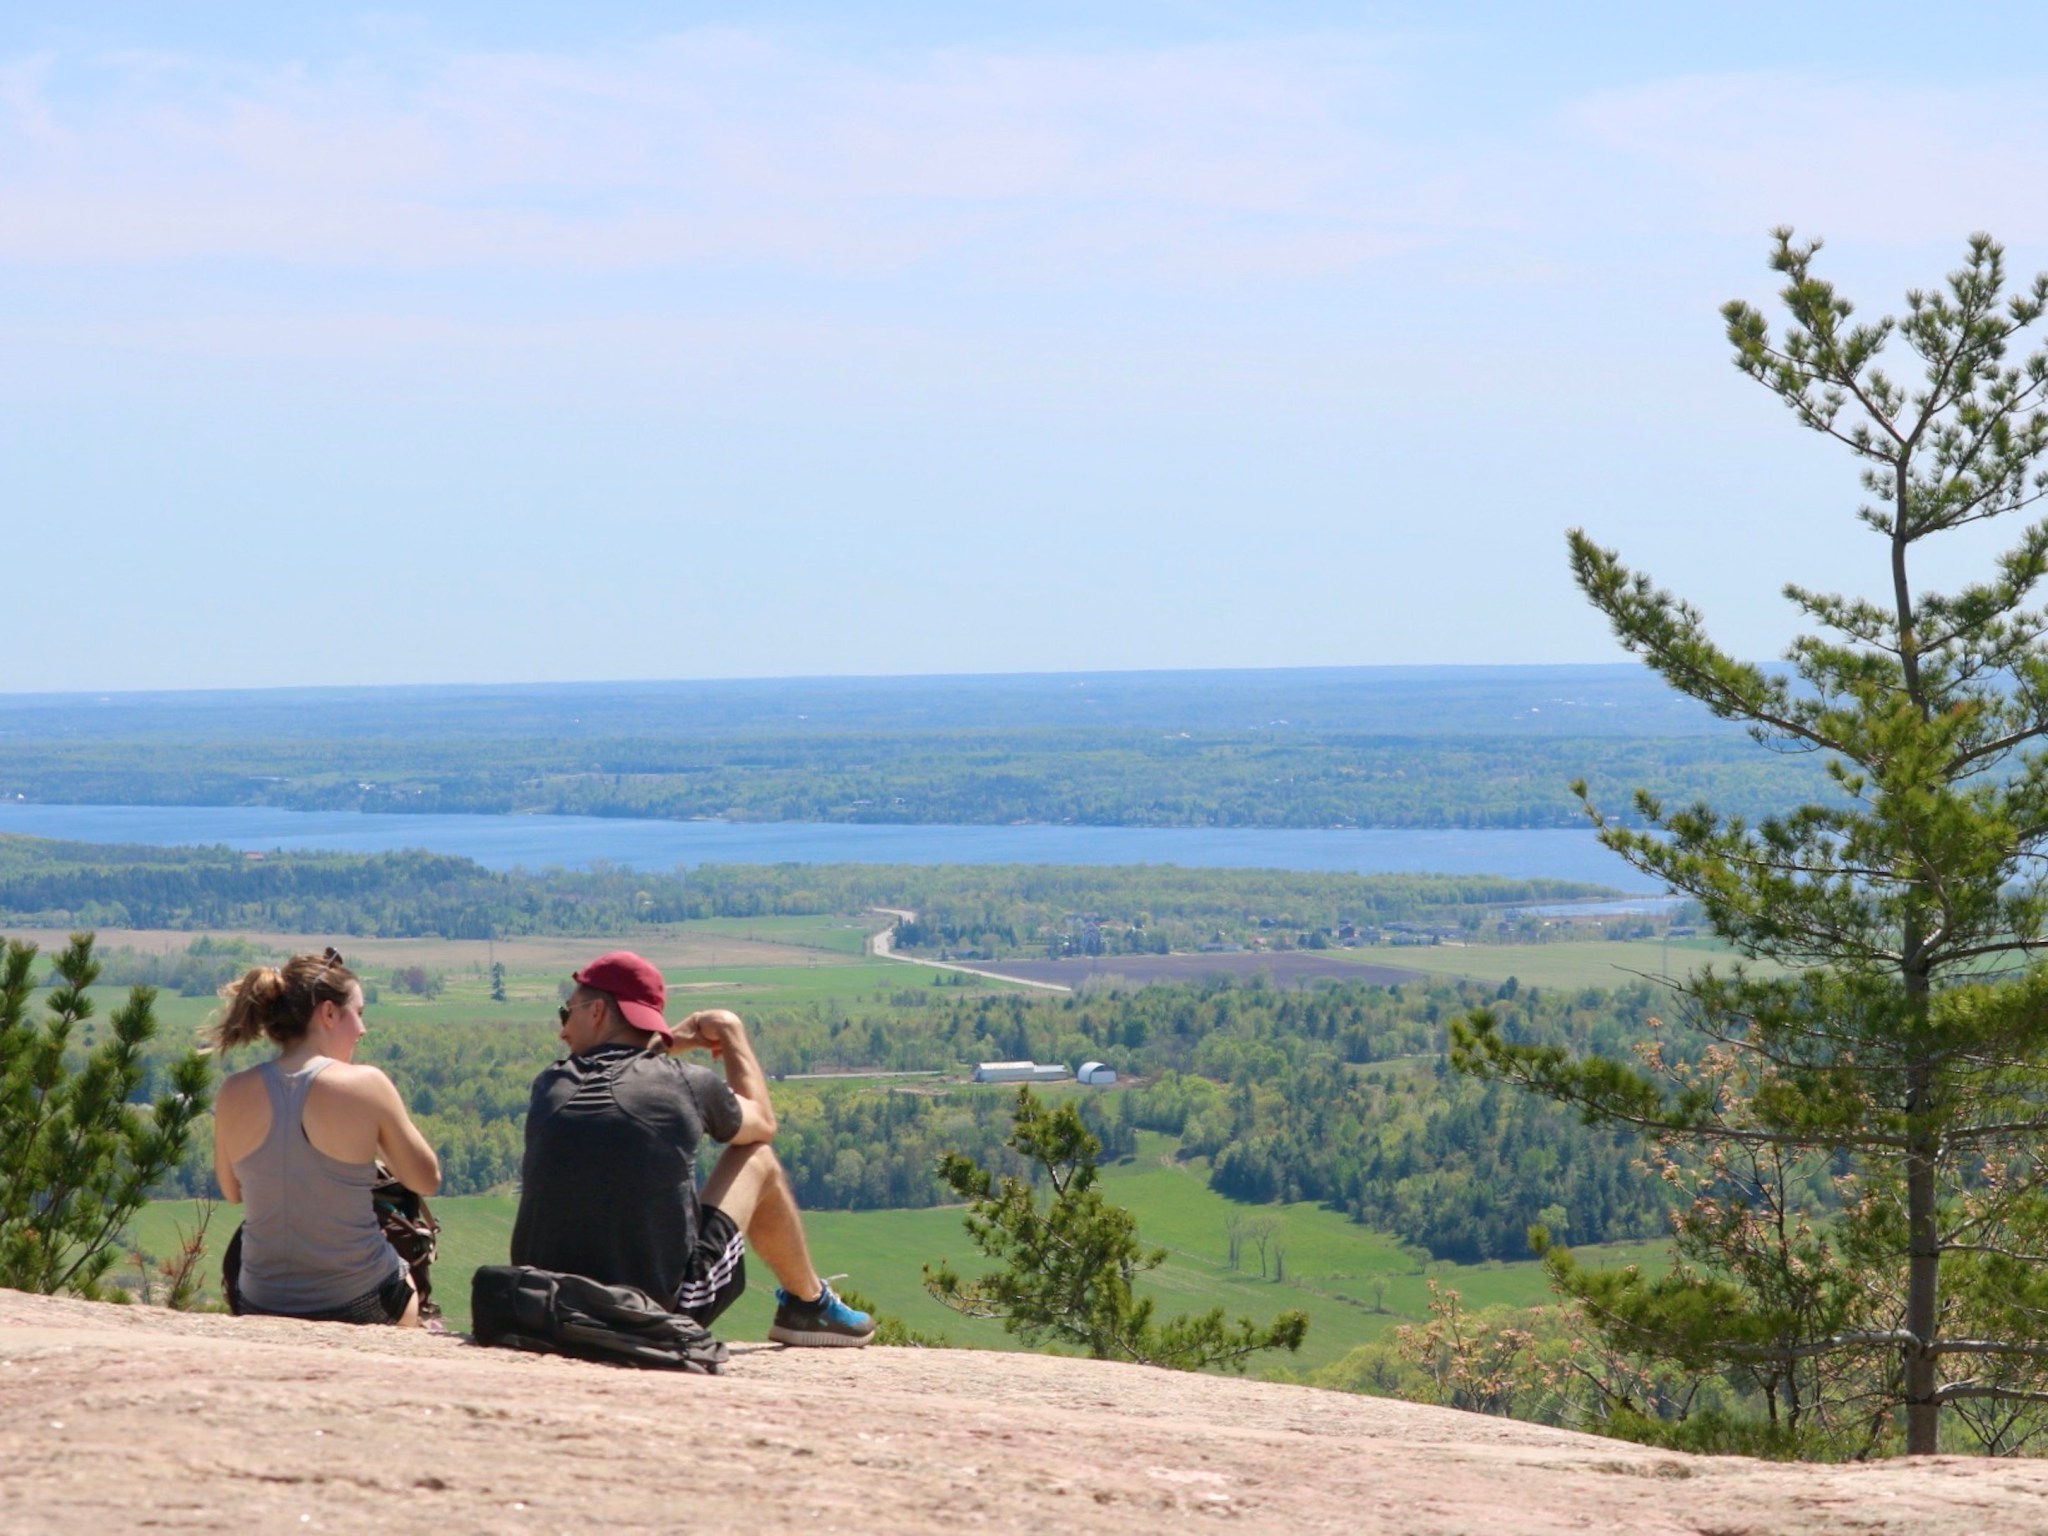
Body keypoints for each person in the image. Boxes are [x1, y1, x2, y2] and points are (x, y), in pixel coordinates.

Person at [510, 950, 874, 1347]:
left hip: (544, 1305)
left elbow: (622, 1081)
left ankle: (808, 1305)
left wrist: (656, 1046)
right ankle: (809, 1305)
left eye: (567, 1013)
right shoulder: (687, 1083)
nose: (562, 1030)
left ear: (597, 1012)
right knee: (757, 1158)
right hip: (651, 1316)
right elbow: (762, 1124)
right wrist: (730, 1030)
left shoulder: (550, 1084)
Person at [207, 948, 441, 1326]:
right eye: (358, 1013)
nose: (362, 1029)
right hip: (360, 1298)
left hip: (258, 1299)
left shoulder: (232, 1091)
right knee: (410, 1270)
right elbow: (426, 1179)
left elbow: (232, 1191)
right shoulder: (366, 1084)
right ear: (328, 1013)